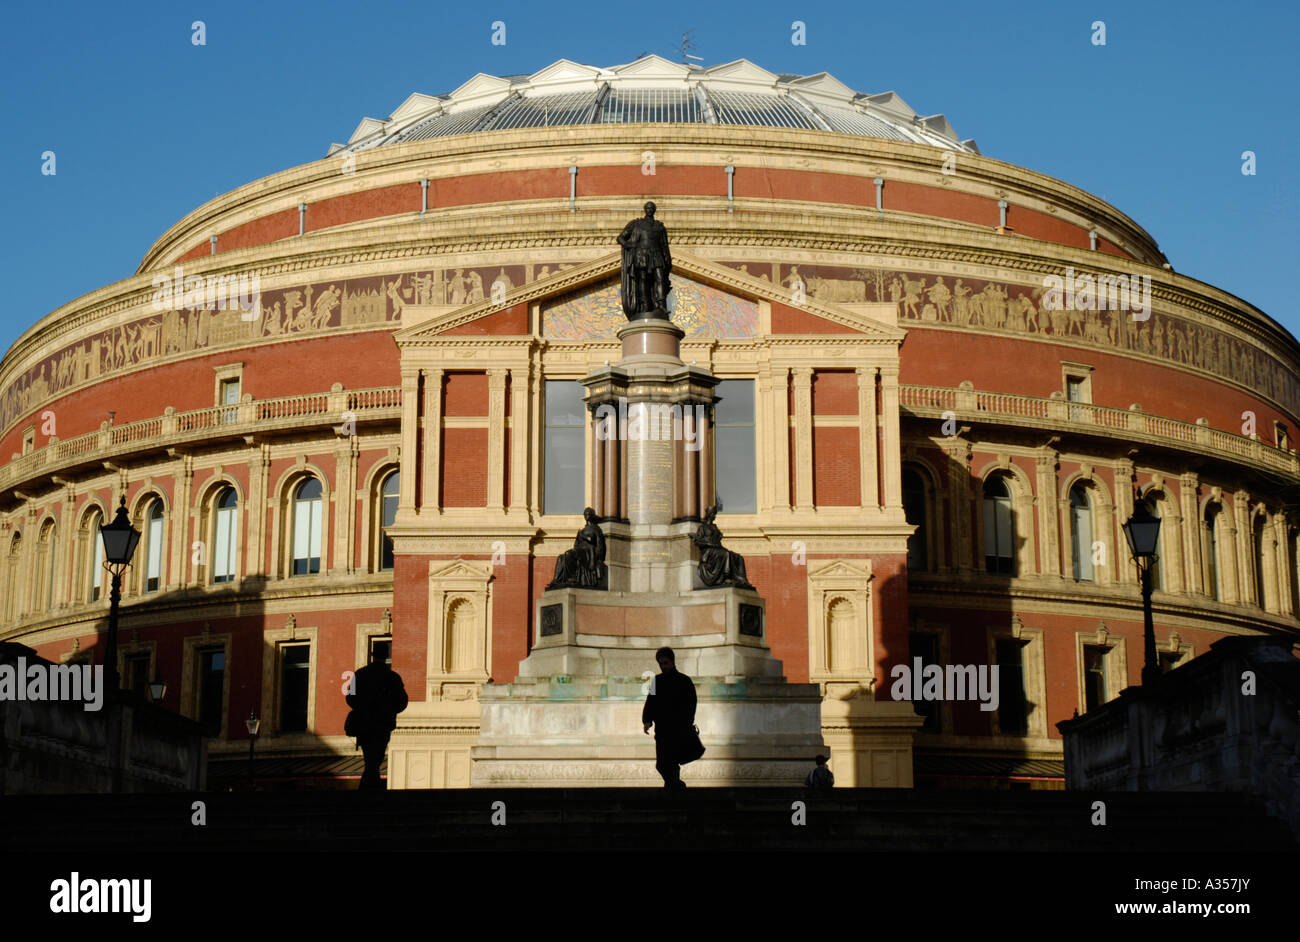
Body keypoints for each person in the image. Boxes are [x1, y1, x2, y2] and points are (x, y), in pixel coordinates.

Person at [345, 653, 409, 790]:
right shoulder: (392, 677)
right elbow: (402, 701)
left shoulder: (360, 674)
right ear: (386, 658)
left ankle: (369, 787)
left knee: (369, 756)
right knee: (377, 756)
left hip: (364, 723)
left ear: (372, 656)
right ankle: (371, 787)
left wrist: (363, 707)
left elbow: (350, 698)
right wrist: (390, 710)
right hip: (383, 723)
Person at [642, 647, 696, 790]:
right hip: (662, 730)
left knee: (670, 762)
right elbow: (650, 702)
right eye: (661, 664)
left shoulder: (684, 681)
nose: (663, 666)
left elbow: (691, 705)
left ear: (672, 662)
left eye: (666, 663)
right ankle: (676, 785)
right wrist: (647, 720)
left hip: (677, 730)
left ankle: (673, 787)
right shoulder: (656, 681)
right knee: (661, 764)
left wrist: (686, 723)